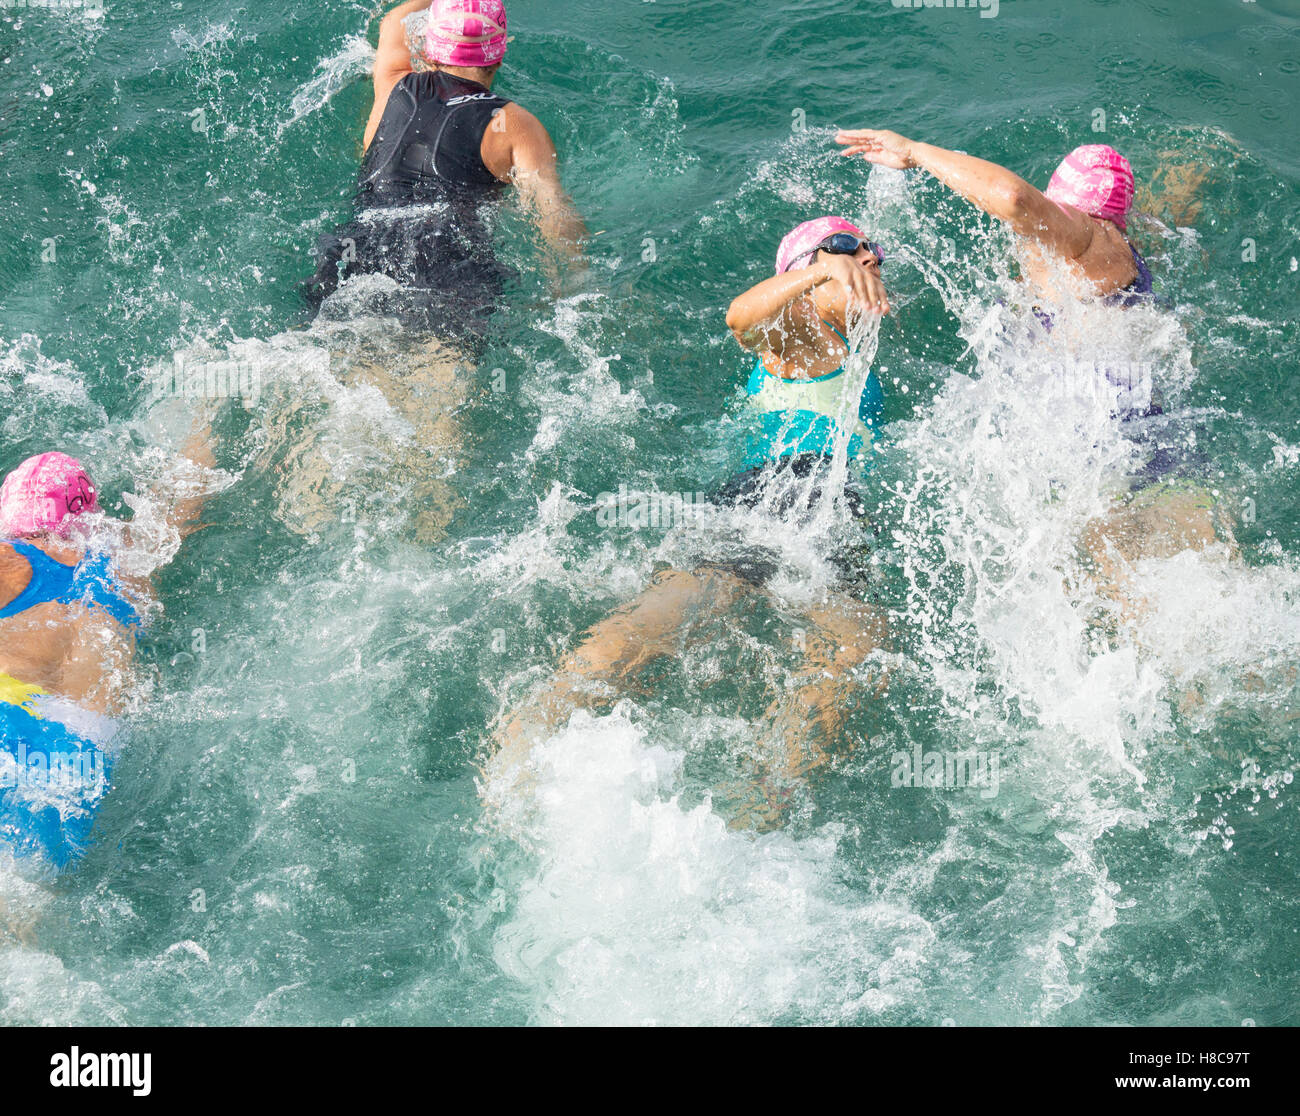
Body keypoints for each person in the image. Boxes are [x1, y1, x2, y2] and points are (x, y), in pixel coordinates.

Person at [489, 218, 891, 829]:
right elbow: (740, 317)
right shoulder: (799, 335)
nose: (865, 257)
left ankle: (765, 799)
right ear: (802, 274)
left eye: (872, 253)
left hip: (830, 508)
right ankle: (532, 728)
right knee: (683, 611)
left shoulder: (849, 344)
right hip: (777, 492)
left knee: (857, 647)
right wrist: (821, 271)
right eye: (845, 246)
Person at [834, 128, 1233, 620]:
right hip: (1156, 443)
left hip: (1100, 462)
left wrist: (915, 153)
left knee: (1140, 616)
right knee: (1210, 604)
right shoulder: (1119, 250)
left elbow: (1013, 198)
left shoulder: (1084, 238)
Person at [0, 443, 215, 890]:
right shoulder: (132, 563)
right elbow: (187, 492)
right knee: (28, 889)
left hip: (12, 721)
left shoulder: (9, 561)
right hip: (84, 755)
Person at [304, 0, 587, 340]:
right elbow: (552, 212)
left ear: (428, 50)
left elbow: (394, 20)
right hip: (443, 264)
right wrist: (574, 283)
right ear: (498, 55)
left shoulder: (393, 85)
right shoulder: (515, 125)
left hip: (357, 249)